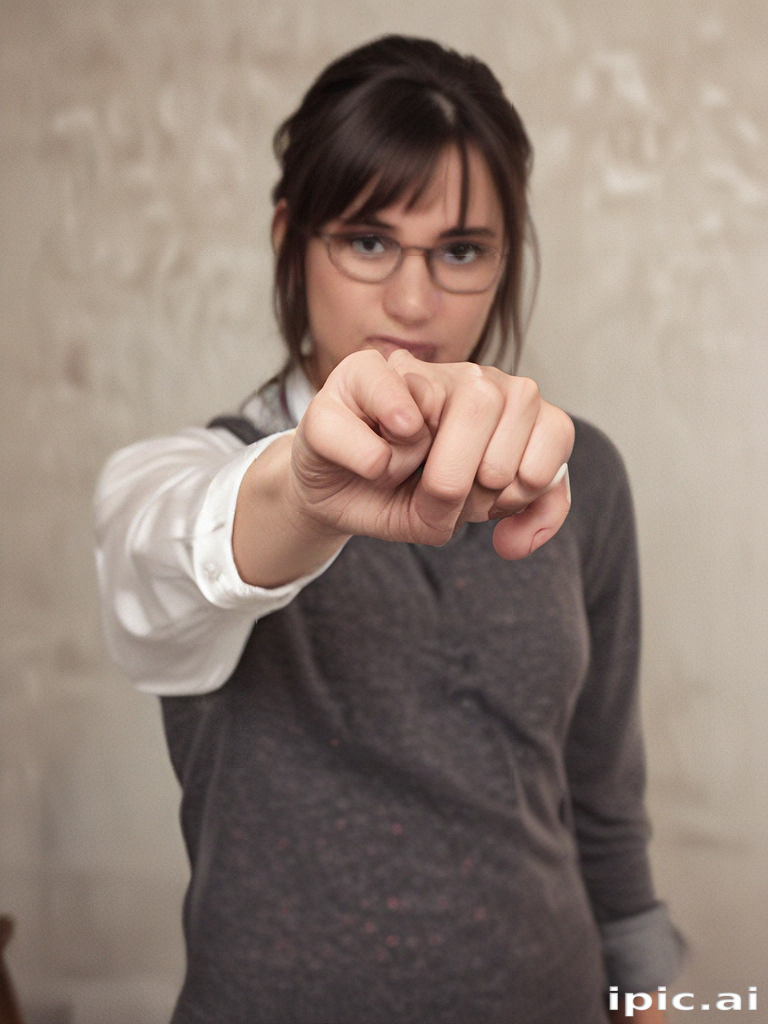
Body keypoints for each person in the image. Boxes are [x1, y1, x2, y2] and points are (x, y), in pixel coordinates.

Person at [95, 35, 682, 1024]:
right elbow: (162, 559)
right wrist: (307, 491)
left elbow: (602, 791)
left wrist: (651, 997)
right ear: (292, 236)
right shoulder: (193, 478)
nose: (412, 302)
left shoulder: (583, 478)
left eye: (460, 251)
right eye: (367, 240)